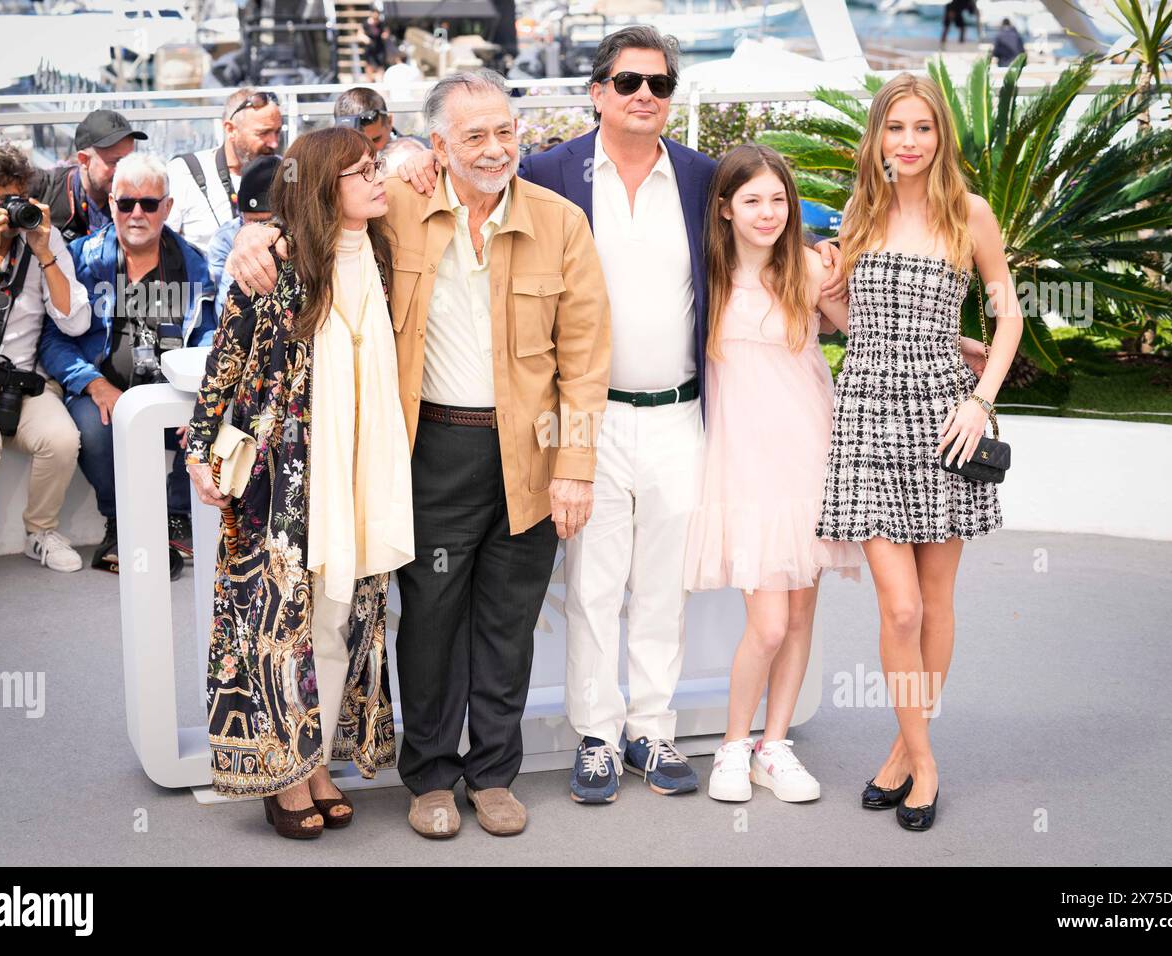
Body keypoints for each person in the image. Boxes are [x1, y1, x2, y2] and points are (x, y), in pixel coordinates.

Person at [400, 25, 844, 805]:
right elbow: (431, 184)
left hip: (680, 415)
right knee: (594, 586)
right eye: (630, 82)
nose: (646, 96)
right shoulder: (543, 172)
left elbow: (769, 225)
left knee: (662, 587)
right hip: (585, 419)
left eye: (661, 85)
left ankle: (653, 728)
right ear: (598, 91)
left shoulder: (705, 178)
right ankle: (597, 738)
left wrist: (824, 256)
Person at [225, 70, 613, 838]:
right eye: (474, 136)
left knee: (509, 621)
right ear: (437, 144)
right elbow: (310, 215)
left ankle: (494, 775)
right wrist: (254, 232)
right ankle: (431, 776)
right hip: (432, 446)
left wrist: (573, 466)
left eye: (506, 131)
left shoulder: (562, 222)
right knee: (430, 619)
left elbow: (586, 358)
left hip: (530, 452)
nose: (496, 148)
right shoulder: (397, 206)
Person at [185, 126, 414, 839]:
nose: (378, 179)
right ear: (323, 188)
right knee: (282, 625)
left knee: (343, 615)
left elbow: (428, 162)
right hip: (287, 481)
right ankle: (282, 775)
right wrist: (199, 448)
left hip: (364, 467)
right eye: (362, 172)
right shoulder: (277, 262)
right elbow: (226, 357)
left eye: (378, 168)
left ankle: (314, 760)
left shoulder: (377, 251)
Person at [814, 72, 1022, 831]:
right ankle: (926, 760)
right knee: (897, 606)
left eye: (922, 128)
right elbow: (849, 321)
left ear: (941, 138)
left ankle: (904, 752)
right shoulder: (859, 212)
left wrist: (981, 398)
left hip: (945, 416)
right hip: (866, 410)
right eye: (895, 128)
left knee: (935, 602)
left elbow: (1008, 317)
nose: (908, 141)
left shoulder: (971, 214)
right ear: (877, 138)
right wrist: (820, 288)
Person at [687, 144, 864, 804]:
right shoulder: (704, 273)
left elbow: (868, 337)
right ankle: (734, 746)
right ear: (726, 208)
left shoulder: (813, 269)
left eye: (778, 199)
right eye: (753, 200)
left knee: (797, 619)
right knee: (765, 622)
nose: (768, 212)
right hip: (743, 464)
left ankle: (775, 745)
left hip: (811, 455)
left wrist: (958, 345)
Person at [39, 152, 217, 577]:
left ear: (167, 208)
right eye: (125, 203)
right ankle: (120, 523)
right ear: (112, 204)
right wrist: (92, 382)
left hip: (170, 388)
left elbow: (211, 337)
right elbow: (52, 338)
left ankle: (176, 518)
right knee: (97, 431)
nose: (137, 214)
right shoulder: (81, 258)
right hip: (105, 387)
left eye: (149, 204)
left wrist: (201, 394)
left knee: (209, 423)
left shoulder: (192, 264)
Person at [0, 144, 91, 583]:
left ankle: (40, 531)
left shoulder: (43, 237)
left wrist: (45, 252)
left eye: (18, 199)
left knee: (63, 439)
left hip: (27, 382)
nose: (11, 212)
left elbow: (77, 320)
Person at [166, 88, 281, 252]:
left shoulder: (285, 170)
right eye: (263, 133)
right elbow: (165, 244)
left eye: (277, 132)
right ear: (230, 129)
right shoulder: (184, 171)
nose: (274, 143)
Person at [29, 109, 148, 244]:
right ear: (84, 160)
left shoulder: (143, 199)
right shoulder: (46, 190)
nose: (125, 170)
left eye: (130, 160)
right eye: (116, 162)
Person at [206, 154, 280, 321]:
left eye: (269, 221)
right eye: (252, 220)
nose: (258, 229)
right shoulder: (224, 239)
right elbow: (219, 315)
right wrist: (234, 264)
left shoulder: (299, 234)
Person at [333, 85, 394, 153]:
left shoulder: (405, 154)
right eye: (358, 142)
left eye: (376, 139)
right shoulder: (329, 157)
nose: (369, 151)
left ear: (389, 121)